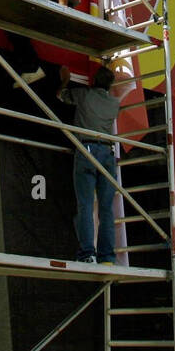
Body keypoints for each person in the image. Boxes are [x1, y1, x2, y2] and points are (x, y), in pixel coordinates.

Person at [57, 63, 124, 264]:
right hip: (107, 153)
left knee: (85, 205)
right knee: (106, 208)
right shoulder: (114, 104)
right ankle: (107, 257)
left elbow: (61, 95)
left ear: (93, 81)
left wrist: (65, 80)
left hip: (86, 149)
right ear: (110, 85)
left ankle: (87, 253)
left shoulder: (83, 95)